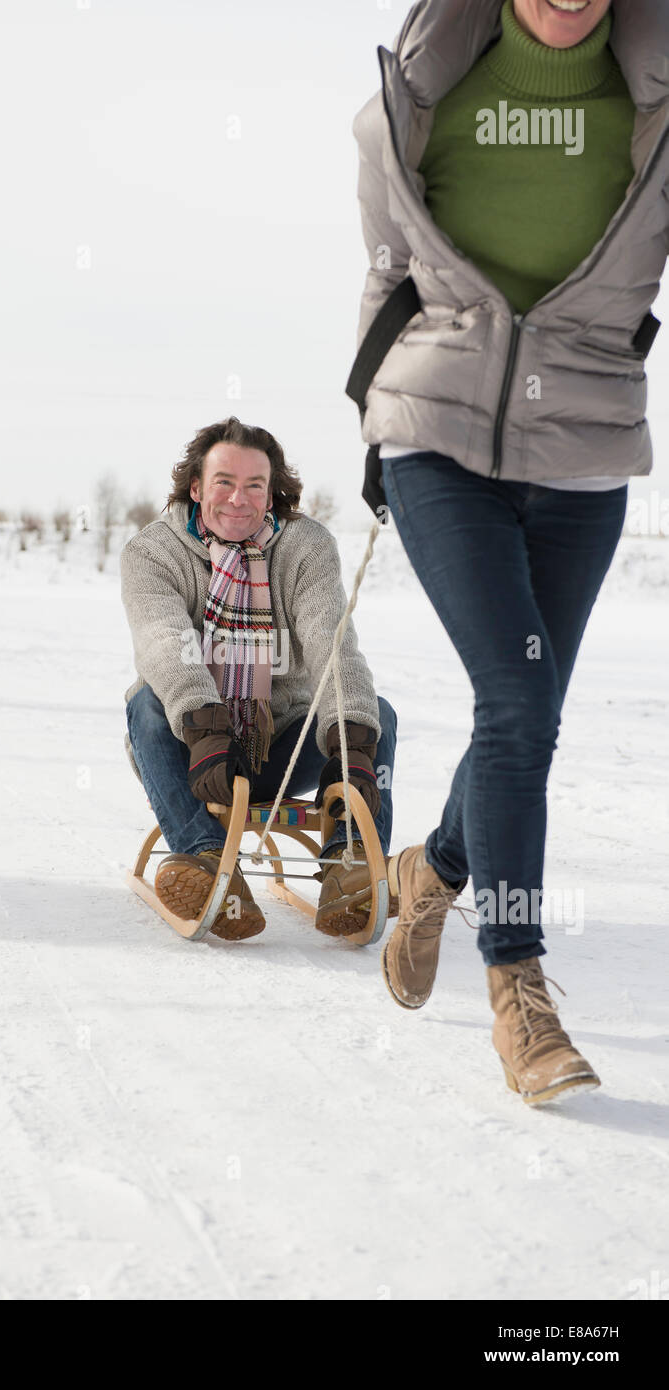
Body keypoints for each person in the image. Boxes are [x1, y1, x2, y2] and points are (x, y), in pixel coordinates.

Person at [351, 0, 668, 1102]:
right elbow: (387, 271)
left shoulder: (655, 101)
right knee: (520, 708)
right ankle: (516, 985)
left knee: (518, 715)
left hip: (579, 447)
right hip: (436, 434)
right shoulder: (421, 95)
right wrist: (368, 411)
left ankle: (431, 869)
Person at [120, 416, 397, 940]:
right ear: (197, 487)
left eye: (255, 485)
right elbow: (164, 642)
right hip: (190, 753)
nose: (238, 499)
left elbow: (330, 642)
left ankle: (351, 866)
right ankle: (204, 862)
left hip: (282, 747)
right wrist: (205, 726)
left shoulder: (305, 547)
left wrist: (351, 740)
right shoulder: (153, 553)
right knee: (145, 703)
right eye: (224, 482)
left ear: (272, 494)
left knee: (374, 711)